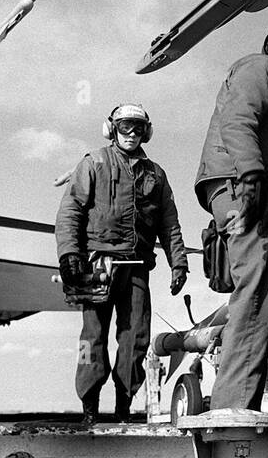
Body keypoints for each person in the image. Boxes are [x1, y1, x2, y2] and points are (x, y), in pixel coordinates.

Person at [196, 17, 268, 411]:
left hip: (255, 193)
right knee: (257, 300)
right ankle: (231, 415)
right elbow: (238, 119)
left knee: (264, 302)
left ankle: (238, 407)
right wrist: (250, 177)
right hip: (240, 186)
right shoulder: (262, 68)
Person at [57, 103, 188, 425]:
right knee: (92, 338)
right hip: (97, 266)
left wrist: (179, 264)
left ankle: (122, 411)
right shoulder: (94, 162)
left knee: (135, 340)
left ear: (147, 131)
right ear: (112, 128)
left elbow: (169, 223)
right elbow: (71, 210)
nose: (131, 133)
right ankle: (89, 409)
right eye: (124, 126)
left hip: (137, 267)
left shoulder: (155, 174)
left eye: (138, 127)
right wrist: (69, 254)